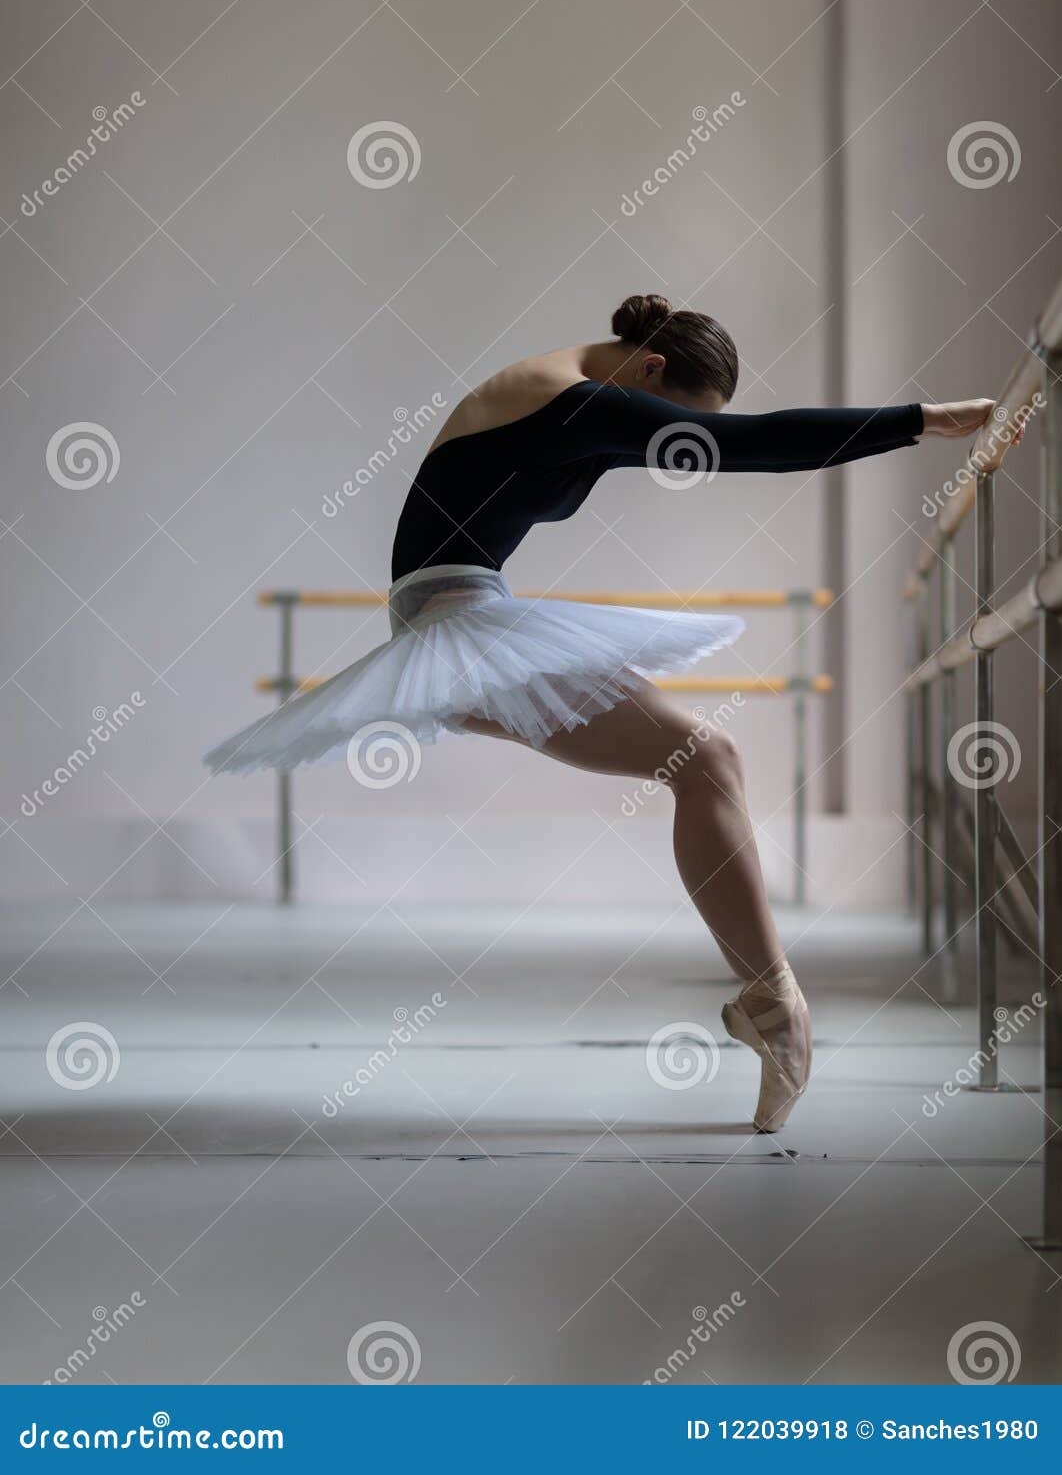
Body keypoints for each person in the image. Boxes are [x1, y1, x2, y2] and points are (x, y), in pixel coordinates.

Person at [206, 293, 999, 1131]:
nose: (666, 436)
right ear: (649, 371)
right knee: (705, 760)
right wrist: (923, 419)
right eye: (668, 415)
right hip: (456, 620)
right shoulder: (575, 402)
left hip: (460, 610)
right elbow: (756, 444)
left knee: (703, 761)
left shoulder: (568, 392)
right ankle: (772, 1006)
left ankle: (767, 1004)